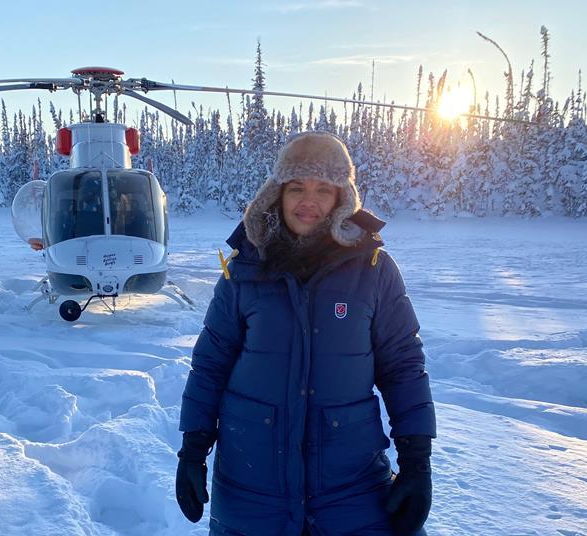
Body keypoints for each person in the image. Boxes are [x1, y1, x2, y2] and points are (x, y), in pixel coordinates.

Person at [176, 131, 436, 536]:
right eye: (296, 187)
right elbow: (211, 363)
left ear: (341, 198)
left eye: (323, 189)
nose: (308, 201)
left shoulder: (373, 270)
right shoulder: (243, 270)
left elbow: (403, 366)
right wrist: (193, 449)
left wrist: (417, 461)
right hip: (251, 485)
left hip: (351, 486)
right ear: (276, 194)